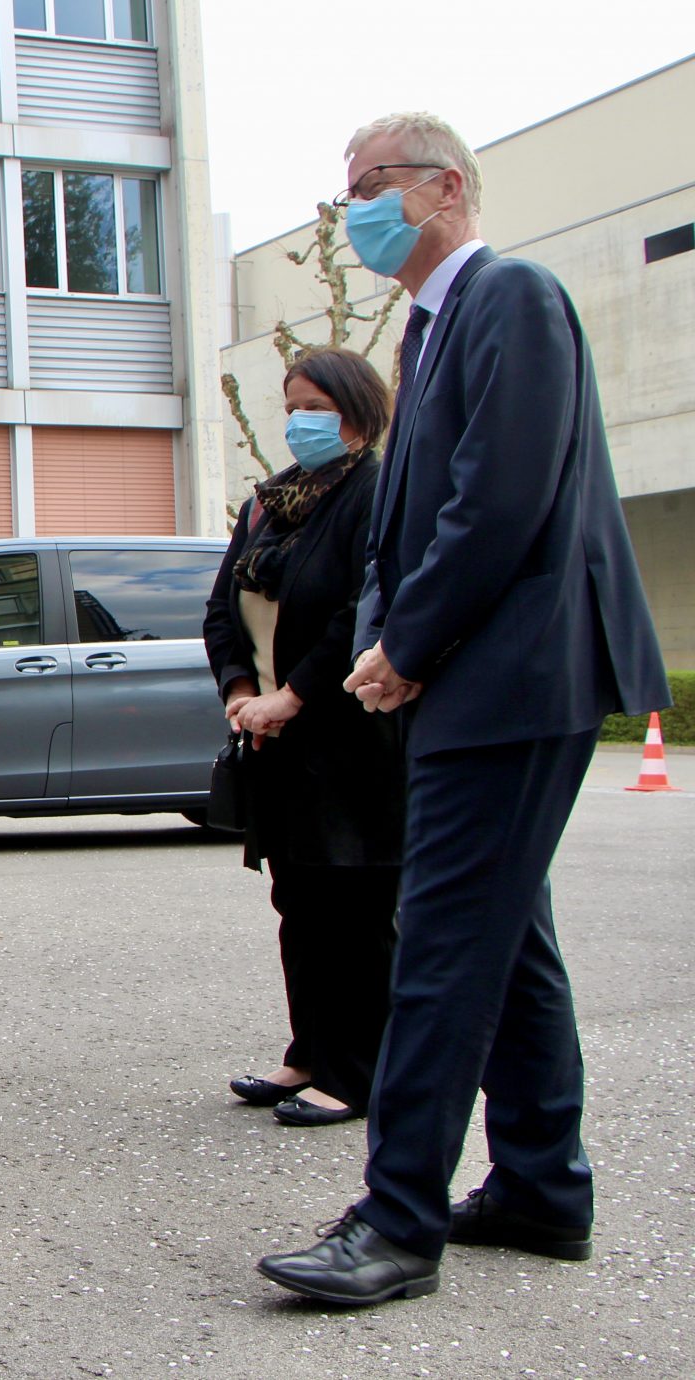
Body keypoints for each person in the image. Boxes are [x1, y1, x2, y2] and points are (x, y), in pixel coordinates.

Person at [258, 114, 669, 1306]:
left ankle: (394, 1223)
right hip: (470, 676)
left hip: (512, 675)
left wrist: (406, 642)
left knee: (438, 942)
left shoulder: (509, 297)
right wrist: (384, 638)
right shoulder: (427, 330)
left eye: (367, 187)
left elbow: (497, 499)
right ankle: (540, 1188)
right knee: (508, 940)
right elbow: (406, 519)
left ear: (442, 186)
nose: (351, 212)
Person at [204, 347, 404, 1130]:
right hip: (273, 739)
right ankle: (310, 1052)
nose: (299, 421)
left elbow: (360, 610)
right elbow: (221, 611)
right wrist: (242, 692)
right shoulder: (269, 504)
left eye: (315, 406)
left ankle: (359, 1074)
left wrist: (293, 696)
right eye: (291, 407)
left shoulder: (375, 491)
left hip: (350, 737)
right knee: (300, 902)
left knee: (355, 909)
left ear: (357, 411)